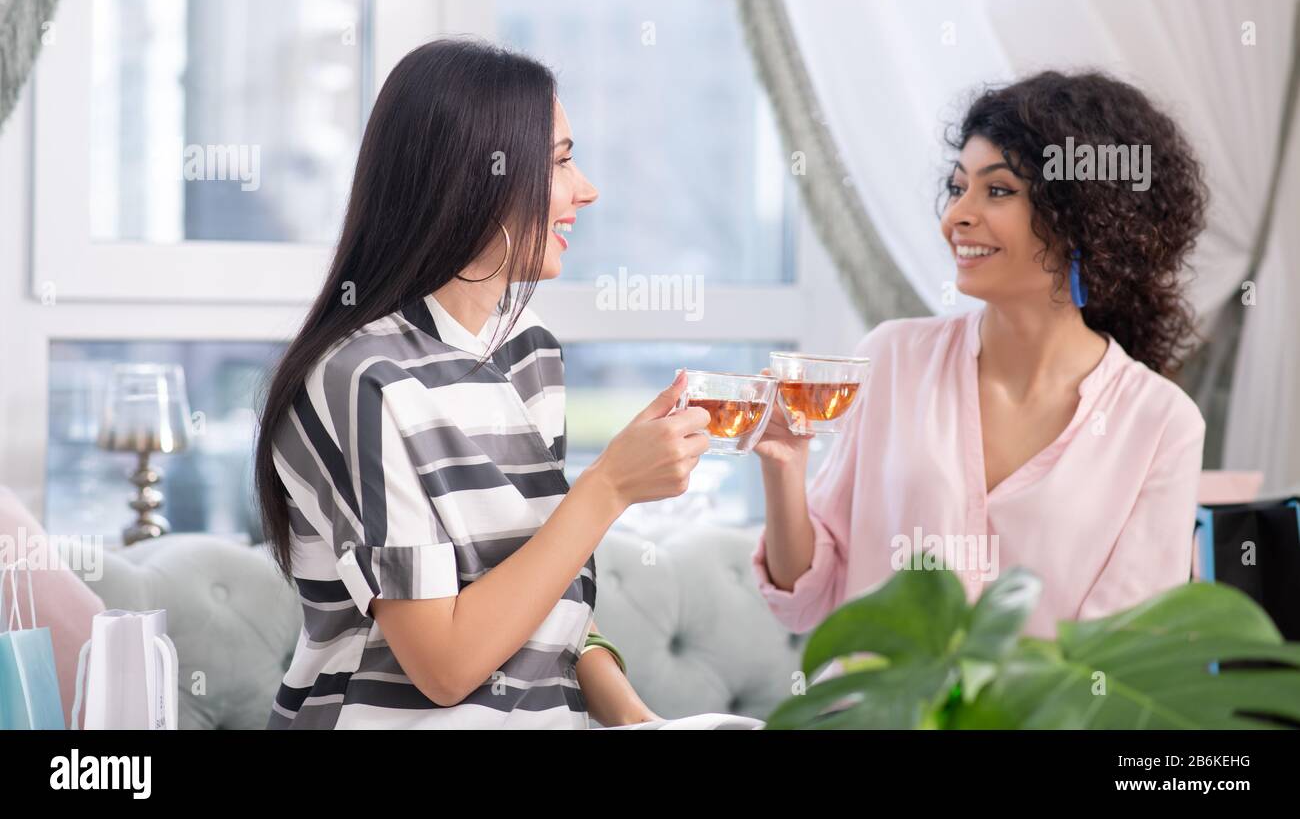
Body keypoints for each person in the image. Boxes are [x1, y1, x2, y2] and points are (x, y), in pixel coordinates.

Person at [255, 38, 760, 729]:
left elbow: (546, 606)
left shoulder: (528, 350)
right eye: (558, 161)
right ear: (475, 178)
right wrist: (607, 487)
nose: (586, 188)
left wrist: (641, 723)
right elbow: (445, 667)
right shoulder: (360, 381)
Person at [753, 70, 1209, 640]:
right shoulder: (892, 359)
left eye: (997, 191)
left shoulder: (1161, 424)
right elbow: (805, 601)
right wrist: (784, 466)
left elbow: (1118, 660)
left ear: (1084, 217)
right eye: (956, 187)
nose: (956, 217)